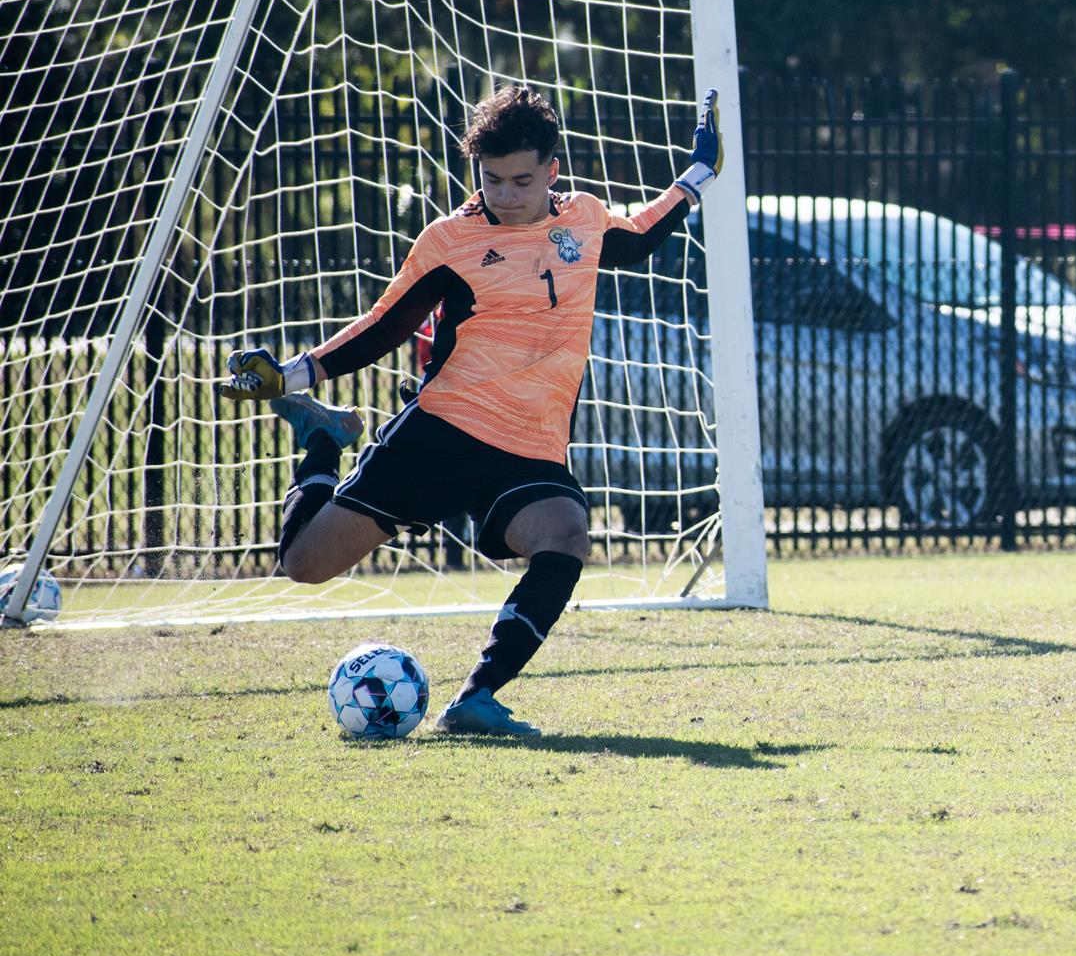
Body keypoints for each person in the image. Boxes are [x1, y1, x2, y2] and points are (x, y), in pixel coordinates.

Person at [219, 85, 724, 737]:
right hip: (443, 431)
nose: (506, 194)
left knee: (566, 533)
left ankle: (476, 697)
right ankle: (320, 434)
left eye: (522, 179)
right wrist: (293, 372)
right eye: (492, 179)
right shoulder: (450, 239)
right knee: (303, 566)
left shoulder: (586, 220)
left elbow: (641, 236)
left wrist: (698, 174)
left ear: (553, 170)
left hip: (530, 447)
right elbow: (383, 326)